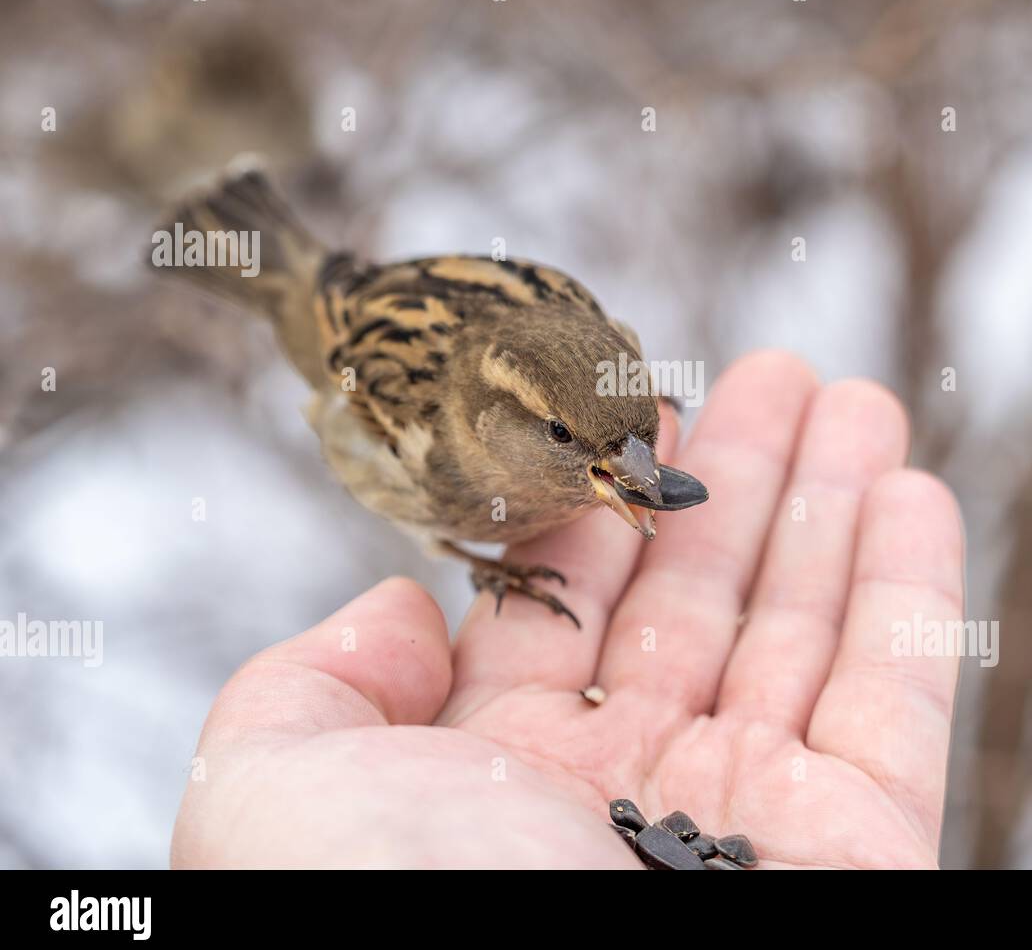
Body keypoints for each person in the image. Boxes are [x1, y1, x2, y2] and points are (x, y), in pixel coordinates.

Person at [171, 351, 965, 868]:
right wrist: (485, 563)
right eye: (570, 438)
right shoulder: (450, 445)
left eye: (635, 444)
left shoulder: (601, 392)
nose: (631, 475)